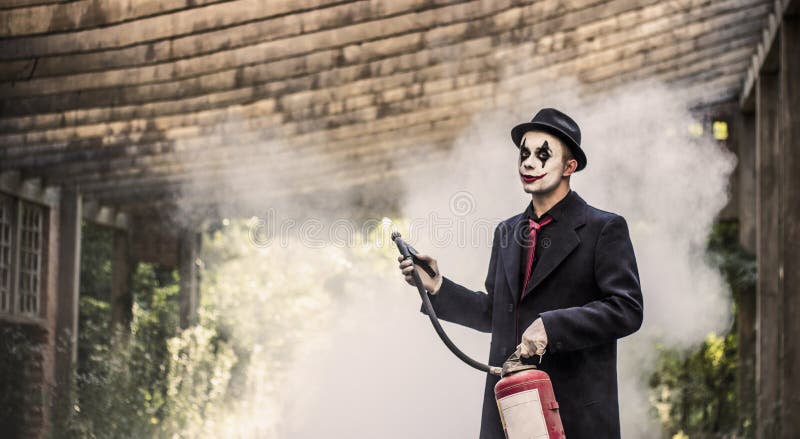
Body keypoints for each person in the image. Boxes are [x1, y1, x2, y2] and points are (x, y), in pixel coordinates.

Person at [398, 108, 644, 438]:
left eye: (543, 155)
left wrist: (552, 327)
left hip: (573, 417)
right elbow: (493, 313)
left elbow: (627, 310)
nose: (528, 163)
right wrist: (439, 287)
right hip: (507, 415)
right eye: (524, 154)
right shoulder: (506, 232)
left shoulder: (604, 228)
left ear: (570, 166)